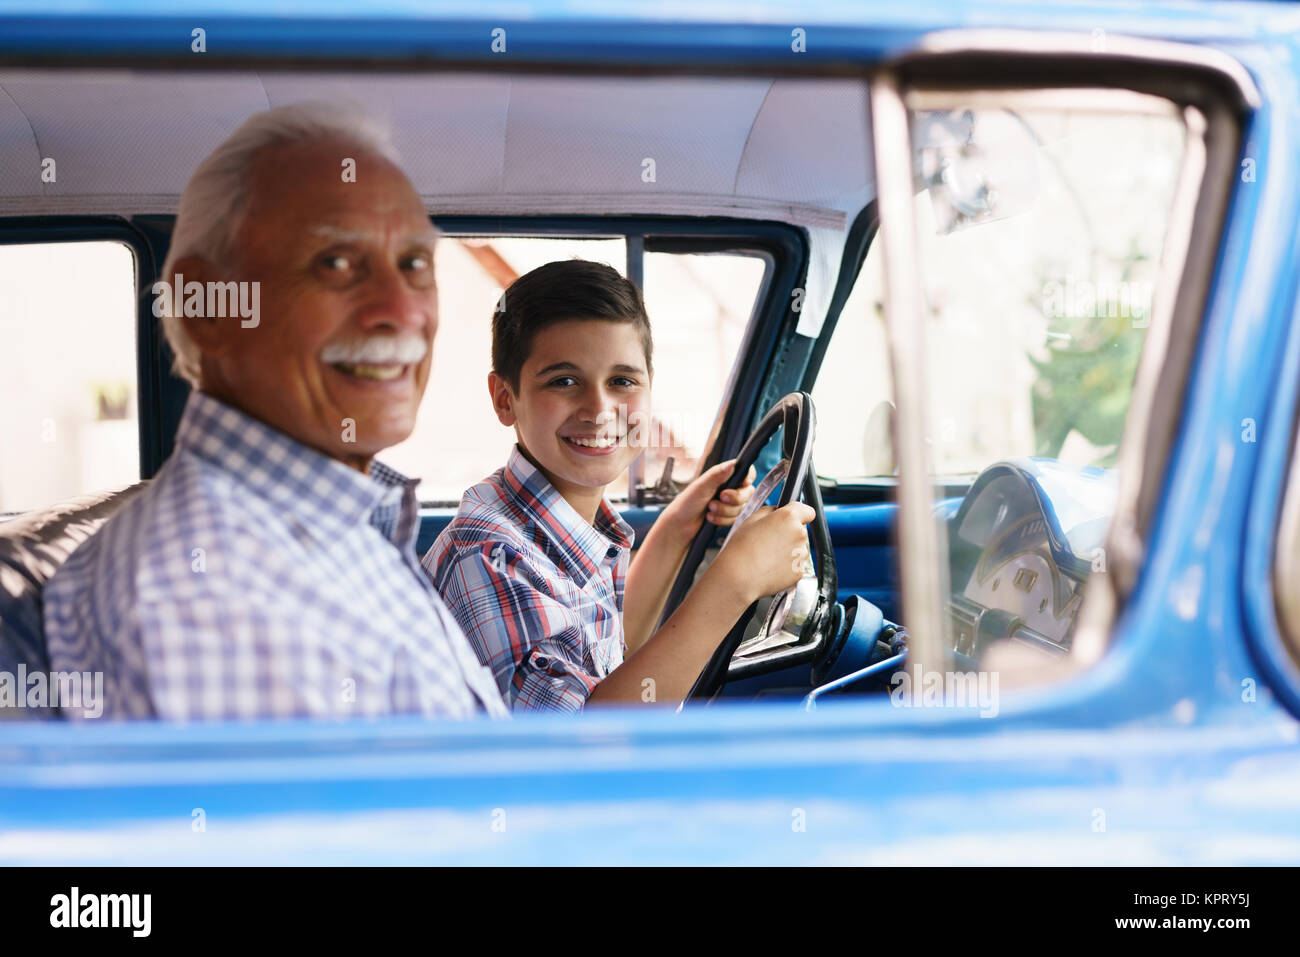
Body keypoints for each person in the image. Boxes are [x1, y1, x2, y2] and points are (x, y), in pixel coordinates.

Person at [43, 103, 506, 721]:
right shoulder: (212, 598)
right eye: (336, 263)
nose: (400, 310)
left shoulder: (331, 522)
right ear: (207, 307)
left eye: (414, 264)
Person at [424, 260, 814, 712]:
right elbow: (589, 750)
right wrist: (735, 581)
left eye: (622, 381)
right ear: (504, 399)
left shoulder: (557, 524)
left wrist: (675, 530)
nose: (599, 408)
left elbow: (606, 656)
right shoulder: (491, 558)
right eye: (564, 381)